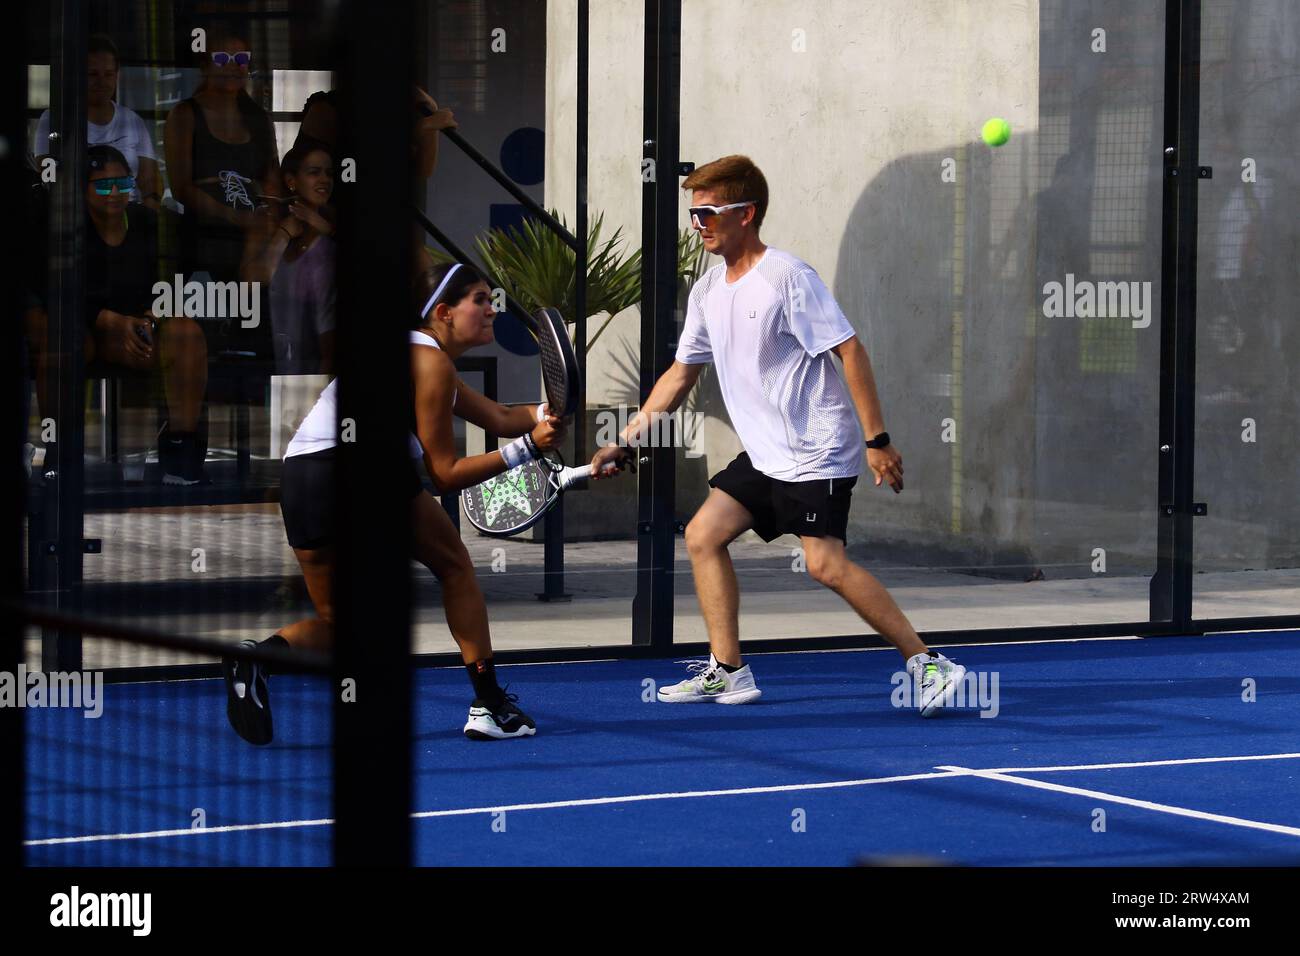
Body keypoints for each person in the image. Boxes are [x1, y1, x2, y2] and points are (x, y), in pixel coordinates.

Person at [592, 154, 967, 717]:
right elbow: (680, 373)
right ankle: (730, 671)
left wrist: (877, 439)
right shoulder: (707, 291)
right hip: (766, 453)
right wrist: (628, 436)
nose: (699, 227)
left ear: (748, 213)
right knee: (702, 535)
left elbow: (849, 350)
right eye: (693, 216)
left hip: (817, 448)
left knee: (824, 566)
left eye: (709, 214)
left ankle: (929, 663)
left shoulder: (788, 277)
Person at [223, 262, 568, 744]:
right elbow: (445, 475)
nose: (493, 309)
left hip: (303, 476)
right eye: (480, 300)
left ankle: (258, 658)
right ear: (445, 312)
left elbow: (498, 415)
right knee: (455, 567)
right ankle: (490, 706)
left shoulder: (412, 353)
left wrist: (546, 412)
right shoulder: (432, 364)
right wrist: (528, 448)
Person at [24, 146, 209, 484]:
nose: (114, 193)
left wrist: (152, 317)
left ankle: (180, 452)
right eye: (103, 185)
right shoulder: (64, 228)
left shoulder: (149, 222)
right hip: (83, 327)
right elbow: (53, 290)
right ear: (81, 189)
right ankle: (61, 449)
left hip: (137, 329)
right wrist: (110, 319)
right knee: (65, 340)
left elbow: (179, 274)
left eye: (123, 184)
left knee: (187, 333)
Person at [164, 27, 280, 288]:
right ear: (204, 66)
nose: (232, 66)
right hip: (204, 240)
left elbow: (273, 182)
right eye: (221, 59)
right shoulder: (184, 114)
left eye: (240, 59)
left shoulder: (260, 119)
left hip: (255, 242)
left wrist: (265, 227)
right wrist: (234, 217)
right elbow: (181, 187)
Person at [33, 34, 164, 210]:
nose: (101, 82)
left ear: (117, 76)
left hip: (128, 214)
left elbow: (150, 181)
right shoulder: (53, 119)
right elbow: (49, 179)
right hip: (77, 215)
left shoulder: (132, 120)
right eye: (92, 74)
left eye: (109, 74)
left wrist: (145, 217)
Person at [241, 138, 337, 374]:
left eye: (329, 173)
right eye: (314, 173)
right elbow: (249, 284)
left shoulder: (334, 228)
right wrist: (283, 234)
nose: (324, 179)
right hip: (272, 359)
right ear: (291, 181)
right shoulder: (268, 224)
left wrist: (325, 227)